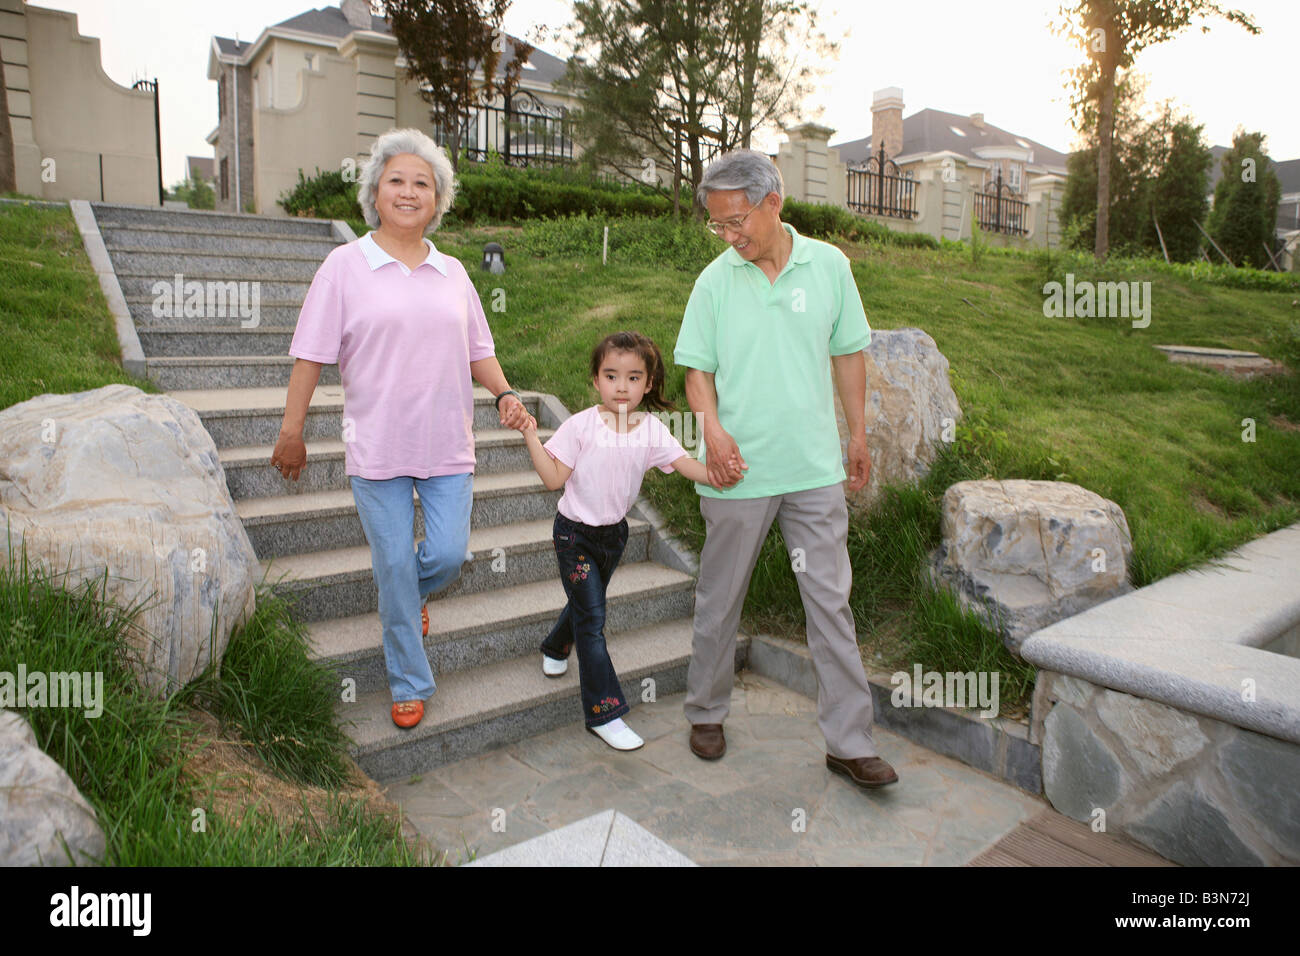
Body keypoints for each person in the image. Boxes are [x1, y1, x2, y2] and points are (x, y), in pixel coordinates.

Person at [270, 127, 533, 730]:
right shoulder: (344, 266)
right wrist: (292, 430)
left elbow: (479, 351)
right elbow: (310, 355)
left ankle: (404, 599)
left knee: (445, 555)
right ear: (374, 192)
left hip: (446, 443)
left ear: (438, 200)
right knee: (392, 564)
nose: (410, 191)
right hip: (377, 446)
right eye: (397, 180)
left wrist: (507, 392)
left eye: (423, 183)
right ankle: (409, 679)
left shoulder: (454, 272)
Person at [673, 149, 899, 789]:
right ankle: (706, 711)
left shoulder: (828, 266)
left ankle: (850, 743)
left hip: (813, 470)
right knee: (721, 599)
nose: (729, 234)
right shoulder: (715, 282)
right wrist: (711, 429)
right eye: (717, 225)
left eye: (737, 220)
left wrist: (857, 434)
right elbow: (697, 370)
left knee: (830, 604)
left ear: (774, 203)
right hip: (738, 472)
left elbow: (849, 353)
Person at [517, 331, 712, 751]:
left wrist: (719, 474)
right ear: (595, 380)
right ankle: (605, 713)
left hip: (615, 537)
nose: (621, 387)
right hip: (574, 536)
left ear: (648, 383)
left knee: (586, 606)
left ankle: (554, 645)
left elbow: (685, 464)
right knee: (593, 620)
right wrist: (531, 436)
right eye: (611, 376)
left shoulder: (652, 430)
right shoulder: (579, 426)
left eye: (633, 377)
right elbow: (552, 479)